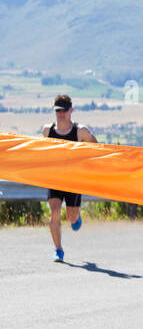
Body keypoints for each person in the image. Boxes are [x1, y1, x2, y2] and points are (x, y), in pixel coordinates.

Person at [41, 94, 98, 263]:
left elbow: (97, 148)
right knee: (55, 212)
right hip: (55, 179)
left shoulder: (81, 131)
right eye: (58, 111)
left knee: (71, 218)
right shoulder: (47, 131)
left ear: (71, 110)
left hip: (74, 180)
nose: (61, 114)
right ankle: (58, 250)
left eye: (64, 111)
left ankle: (76, 217)